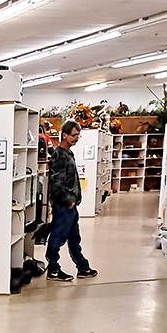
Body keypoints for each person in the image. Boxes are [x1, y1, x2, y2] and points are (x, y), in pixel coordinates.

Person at [46, 120, 98, 282]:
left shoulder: (68, 153)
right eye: (74, 135)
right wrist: (67, 201)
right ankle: (53, 269)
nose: (76, 138)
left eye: (78, 135)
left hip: (70, 204)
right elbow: (56, 182)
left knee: (74, 237)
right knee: (58, 237)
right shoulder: (59, 155)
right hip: (64, 205)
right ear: (65, 135)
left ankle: (82, 267)